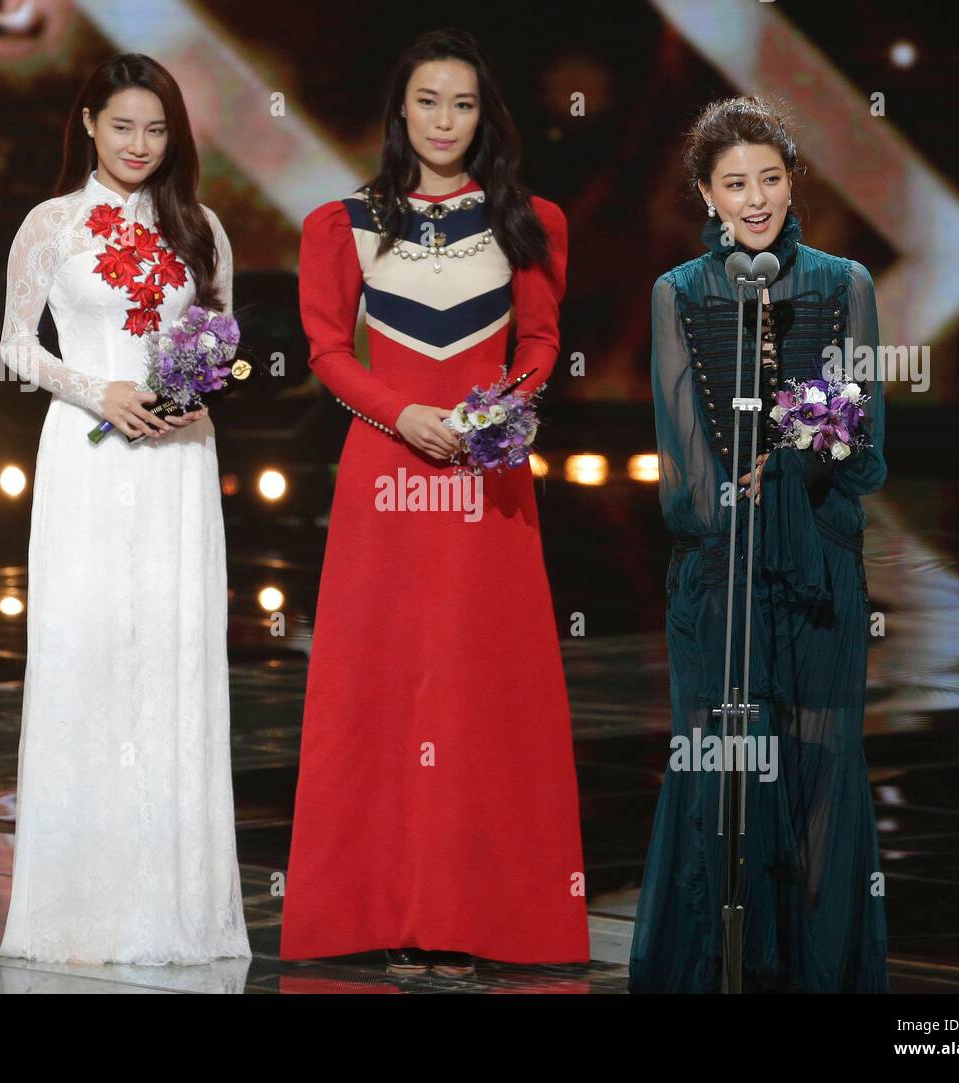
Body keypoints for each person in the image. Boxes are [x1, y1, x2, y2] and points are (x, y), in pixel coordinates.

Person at [279, 28, 588, 976]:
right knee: (378, 687)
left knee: (481, 689)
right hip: (386, 469)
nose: (444, 120)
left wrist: (502, 406)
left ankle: (473, 915)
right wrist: (403, 414)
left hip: (486, 480)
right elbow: (328, 351)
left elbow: (538, 342)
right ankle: (383, 911)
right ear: (399, 113)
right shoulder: (344, 222)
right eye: (427, 102)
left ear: (481, 115)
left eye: (461, 104)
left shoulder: (533, 219)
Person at [629, 96, 889, 992]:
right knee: (724, 773)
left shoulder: (844, 282)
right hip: (721, 577)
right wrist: (738, 508)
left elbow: (865, 449)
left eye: (769, 179)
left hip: (820, 569)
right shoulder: (680, 294)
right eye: (734, 183)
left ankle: (819, 973)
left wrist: (793, 465)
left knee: (821, 774)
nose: (755, 199)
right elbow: (684, 474)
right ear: (706, 194)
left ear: (791, 182)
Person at [0, 53, 249, 966]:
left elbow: (222, 342)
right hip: (88, 455)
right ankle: (84, 905)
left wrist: (196, 389)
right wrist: (98, 390)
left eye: (157, 129)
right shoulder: (51, 225)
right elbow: (16, 345)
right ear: (92, 123)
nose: (141, 145)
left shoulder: (202, 227)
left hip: (178, 460)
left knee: (173, 655)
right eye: (125, 126)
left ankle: (174, 901)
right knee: (90, 651)